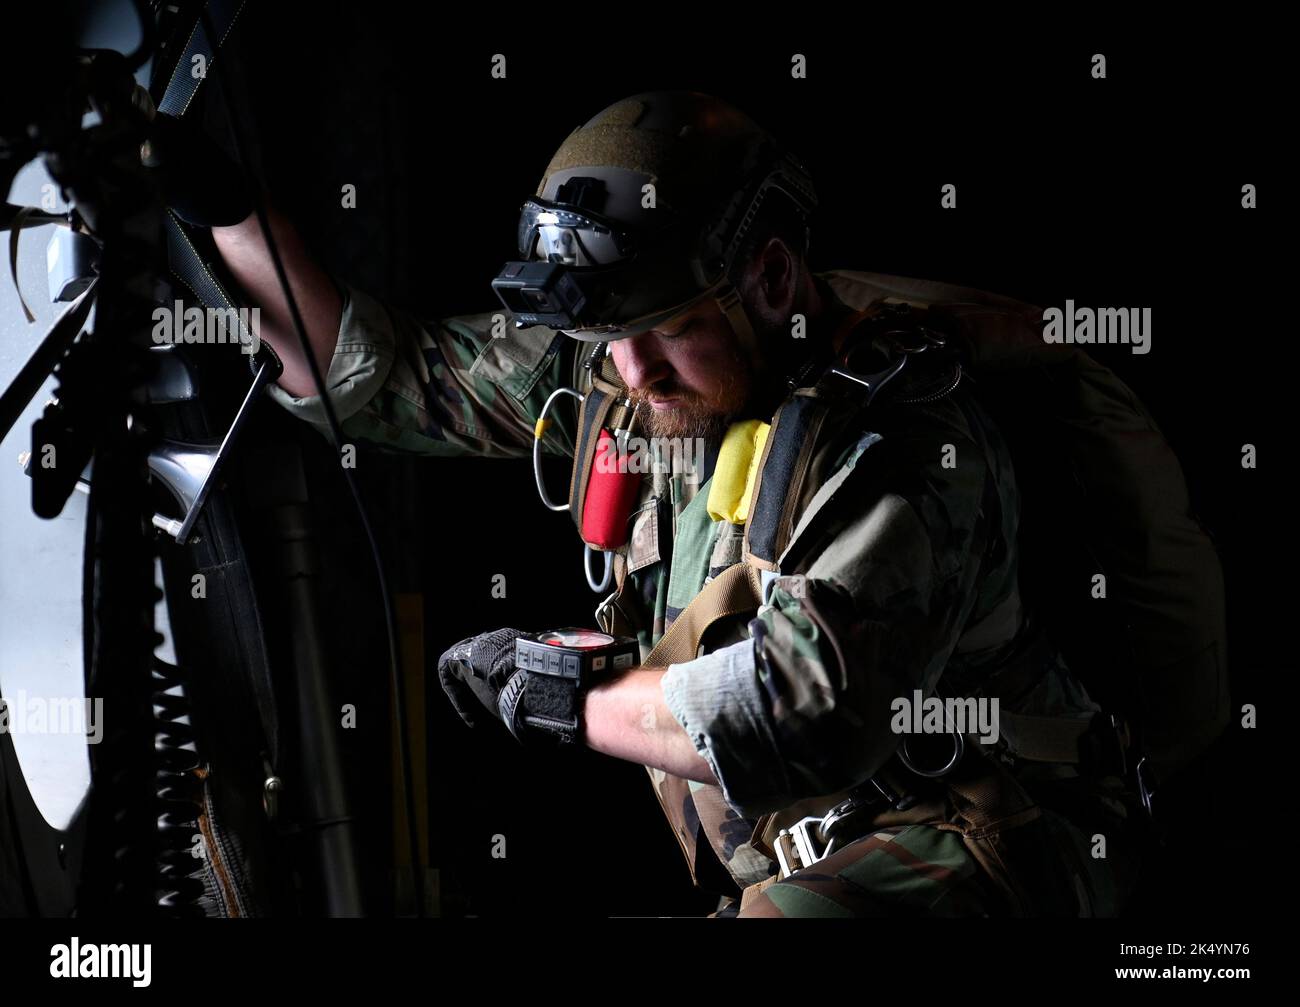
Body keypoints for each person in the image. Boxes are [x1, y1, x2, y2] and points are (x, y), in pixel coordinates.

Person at [179, 91, 1156, 917]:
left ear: (770, 278)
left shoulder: (904, 439)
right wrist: (227, 209)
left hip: (984, 832)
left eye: (663, 329)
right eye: (606, 334)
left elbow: (800, 711)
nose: (629, 368)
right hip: (806, 850)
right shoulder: (635, 372)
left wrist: (563, 696)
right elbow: (370, 372)